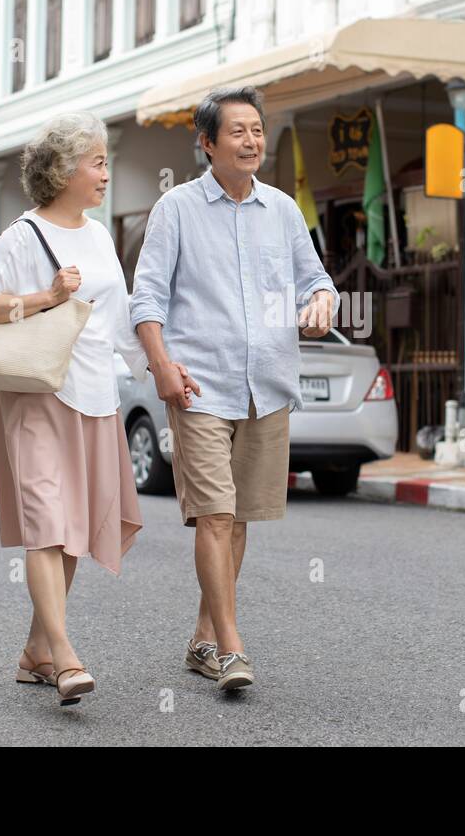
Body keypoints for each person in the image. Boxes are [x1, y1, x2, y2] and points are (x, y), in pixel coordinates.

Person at [0, 112, 189, 706]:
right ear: (63, 171)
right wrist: (46, 297)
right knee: (46, 523)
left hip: (94, 395)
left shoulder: (97, 236)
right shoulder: (21, 235)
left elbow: (115, 321)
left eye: (106, 162)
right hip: (36, 394)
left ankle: (37, 649)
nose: (106, 174)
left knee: (71, 535)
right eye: (96, 162)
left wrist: (157, 370)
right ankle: (64, 658)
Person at [130, 86, 337, 692]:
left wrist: (322, 301)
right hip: (199, 384)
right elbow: (148, 296)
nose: (250, 141)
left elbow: (314, 279)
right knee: (215, 516)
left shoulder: (283, 210)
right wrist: (160, 363)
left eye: (256, 130)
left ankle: (202, 639)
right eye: (237, 131)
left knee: (239, 518)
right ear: (207, 143)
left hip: (265, 385)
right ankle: (231, 648)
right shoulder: (176, 209)